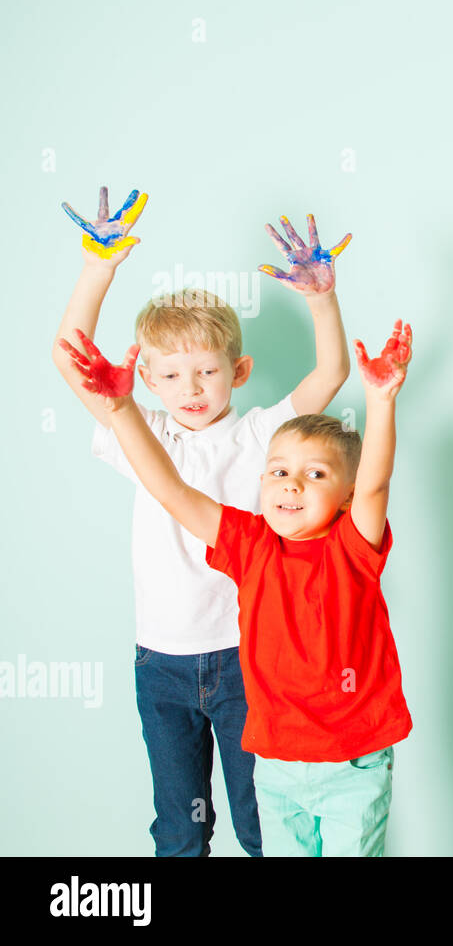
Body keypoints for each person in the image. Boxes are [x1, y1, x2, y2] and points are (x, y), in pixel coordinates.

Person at [51, 188, 351, 856]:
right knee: (181, 827)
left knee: (260, 820)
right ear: (148, 382)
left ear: (238, 371)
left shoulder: (262, 436)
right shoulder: (141, 432)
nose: (191, 388)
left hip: (249, 660)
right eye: (173, 375)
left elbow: (332, 370)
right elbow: (72, 358)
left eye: (206, 371)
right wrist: (99, 268)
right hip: (161, 664)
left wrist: (321, 296)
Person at [61, 319, 414, 856]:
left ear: (344, 498)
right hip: (275, 769)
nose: (292, 483)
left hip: (351, 764)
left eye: (315, 475)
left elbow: (375, 484)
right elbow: (173, 492)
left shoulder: (353, 548)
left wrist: (382, 399)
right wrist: (121, 409)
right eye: (277, 472)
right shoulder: (250, 545)